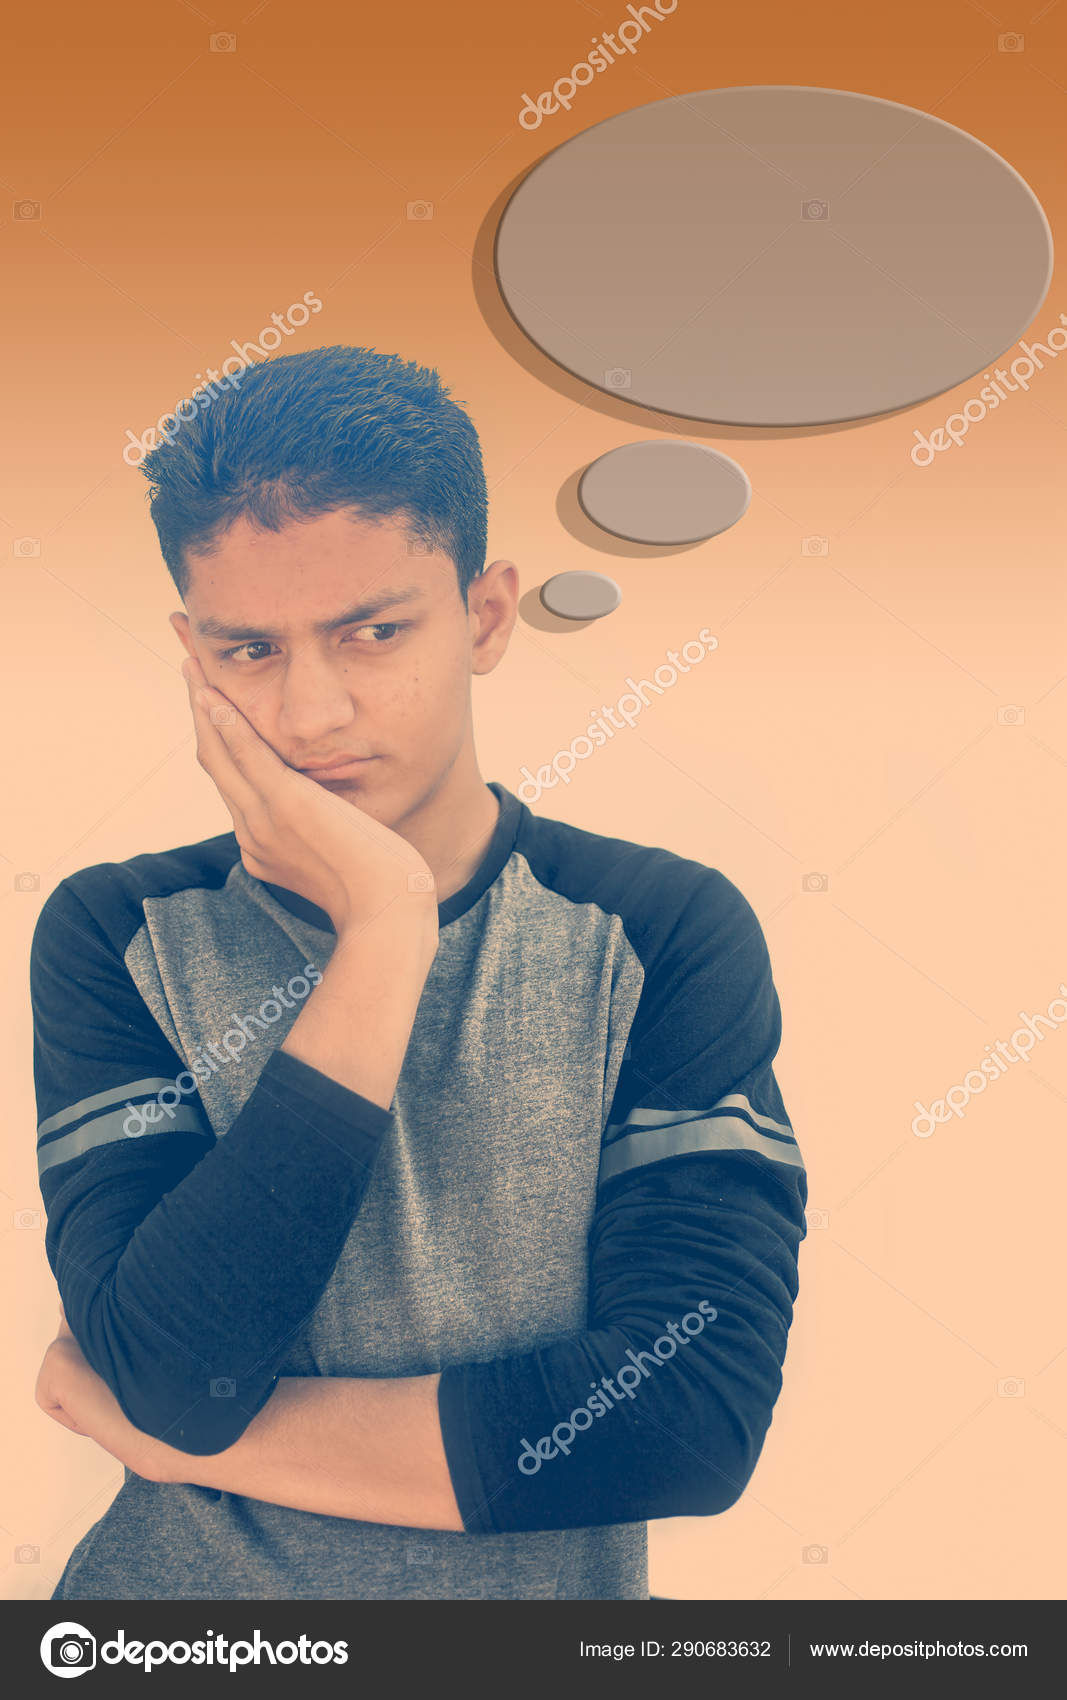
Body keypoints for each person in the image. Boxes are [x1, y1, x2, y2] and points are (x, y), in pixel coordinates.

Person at [31, 344, 807, 1601]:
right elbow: (180, 1372)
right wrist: (385, 934)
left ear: (485, 617)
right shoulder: (118, 930)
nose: (311, 712)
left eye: (373, 632)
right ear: (190, 652)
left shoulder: (658, 929)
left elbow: (686, 1420)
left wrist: (187, 1444)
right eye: (248, 650)